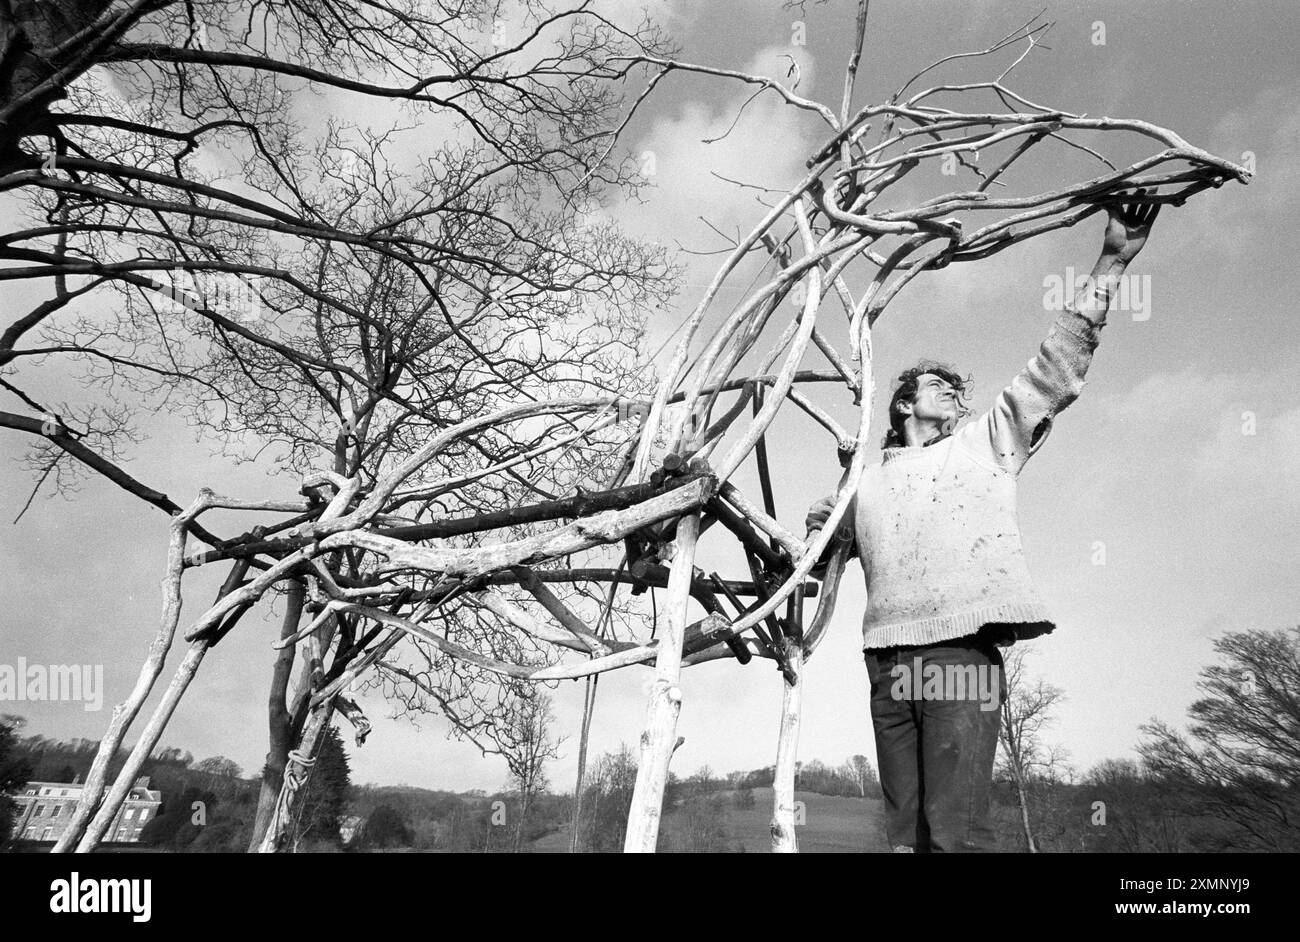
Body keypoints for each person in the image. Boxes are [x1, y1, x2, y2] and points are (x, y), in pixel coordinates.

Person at [805, 191, 1161, 852]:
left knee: (956, 833)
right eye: (939, 383)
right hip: (886, 658)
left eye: (958, 389)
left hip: (958, 653)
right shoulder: (865, 479)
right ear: (904, 399)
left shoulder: (983, 445)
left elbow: (1053, 371)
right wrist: (814, 528)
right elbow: (811, 567)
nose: (955, 393)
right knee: (904, 837)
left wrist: (1111, 262)